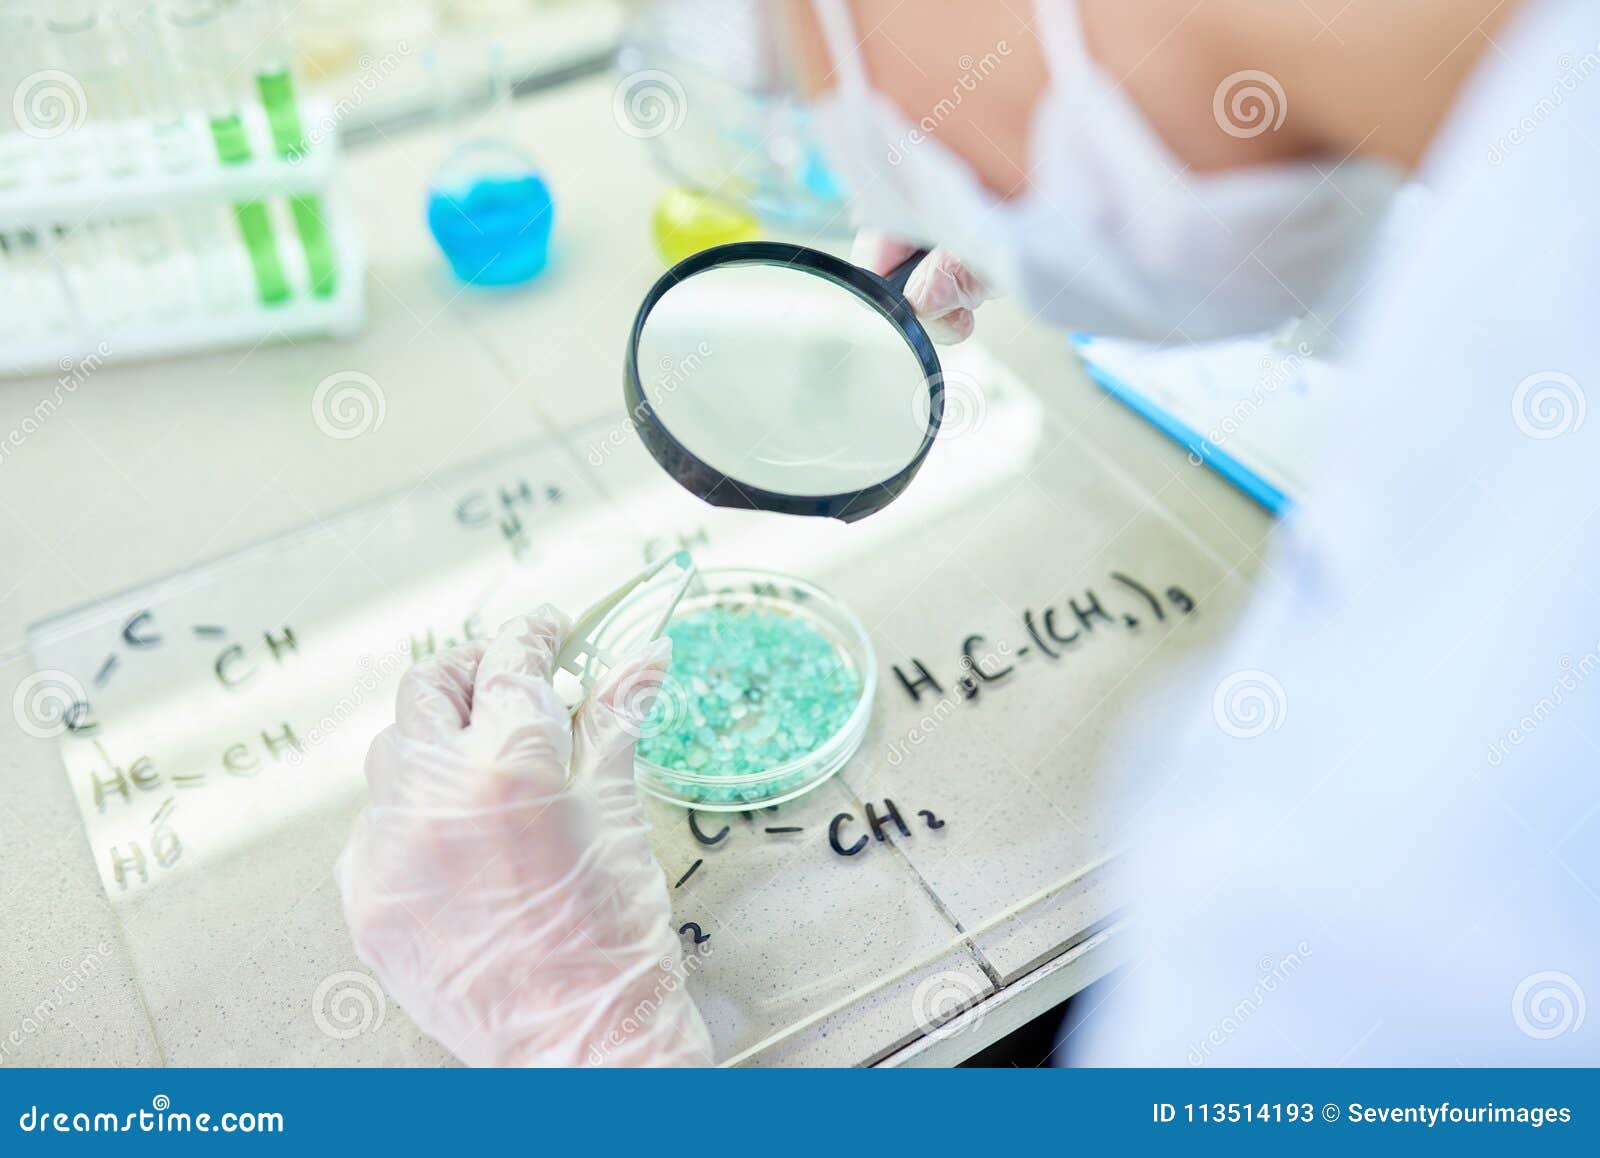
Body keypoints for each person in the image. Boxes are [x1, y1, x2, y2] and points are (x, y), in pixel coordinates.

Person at [338, 0, 1599, 1064]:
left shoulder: (1470, 768)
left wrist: (586, 1045)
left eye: (814, 77)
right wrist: (1353, 236)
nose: (882, 157)